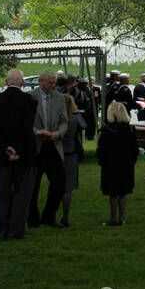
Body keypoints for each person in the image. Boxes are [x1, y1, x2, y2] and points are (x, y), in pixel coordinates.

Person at [0, 69, 38, 241]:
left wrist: (6, 148)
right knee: (22, 195)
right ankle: (16, 231)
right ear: (22, 82)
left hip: (2, 155)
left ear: (6, 81)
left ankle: (1, 230)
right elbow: (26, 129)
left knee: (2, 195)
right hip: (24, 156)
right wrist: (18, 151)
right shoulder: (29, 101)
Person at [28, 70, 69, 228]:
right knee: (33, 184)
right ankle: (32, 218)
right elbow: (25, 122)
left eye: (55, 83)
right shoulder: (30, 97)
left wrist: (58, 133)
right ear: (41, 81)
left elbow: (64, 121)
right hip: (36, 146)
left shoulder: (59, 98)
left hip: (53, 145)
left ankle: (49, 216)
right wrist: (37, 132)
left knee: (60, 181)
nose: (54, 85)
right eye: (51, 83)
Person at [97, 102, 139, 226]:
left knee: (112, 193)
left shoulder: (107, 129)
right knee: (122, 193)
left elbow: (101, 148)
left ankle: (113, 218)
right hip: (126, 164)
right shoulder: (130, 129)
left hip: (110, 164)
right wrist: (132, 161)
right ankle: (121, 218)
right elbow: (135, 148)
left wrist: (101, 161)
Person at [60, 92, 86, 227]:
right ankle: (65, 216)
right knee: (67, 188)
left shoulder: (57, 117)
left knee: (56, 186)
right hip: (71, 152)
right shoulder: (75, 118)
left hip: (58, 152)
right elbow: (84, 125)